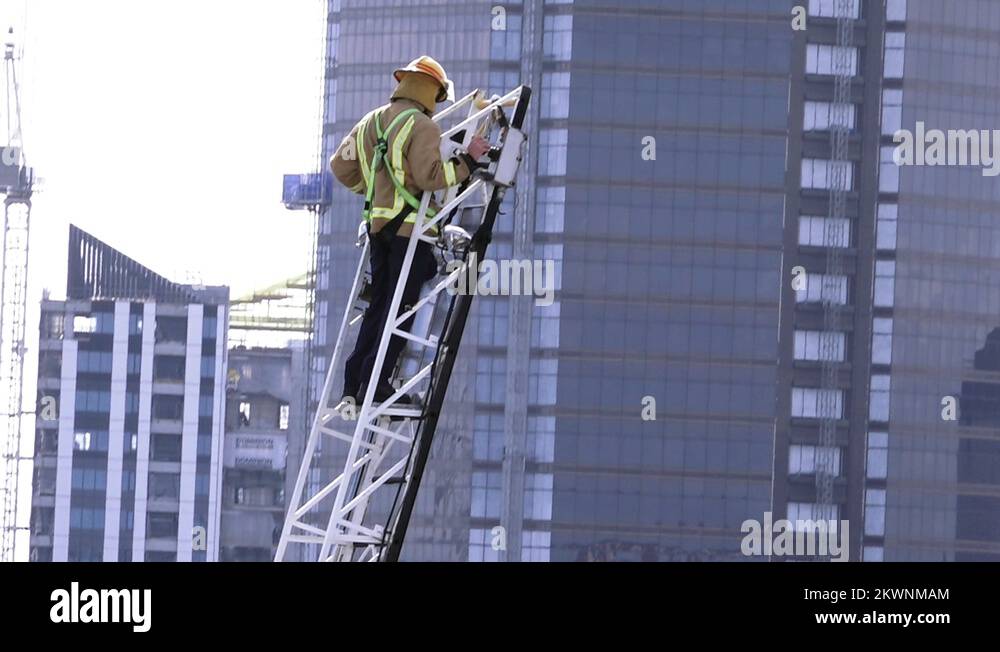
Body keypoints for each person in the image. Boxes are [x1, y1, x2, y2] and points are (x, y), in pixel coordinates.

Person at [331, 56, 490, 405]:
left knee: (377, 309)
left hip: (378, 230)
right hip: (408, 232)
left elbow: (340, 167)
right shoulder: (422, 126)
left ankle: (353, 384)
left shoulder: (370, 122)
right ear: (432, 90)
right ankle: (378, 385)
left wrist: (375, 188)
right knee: (399, 311)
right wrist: (469, 161)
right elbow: (432, 177)